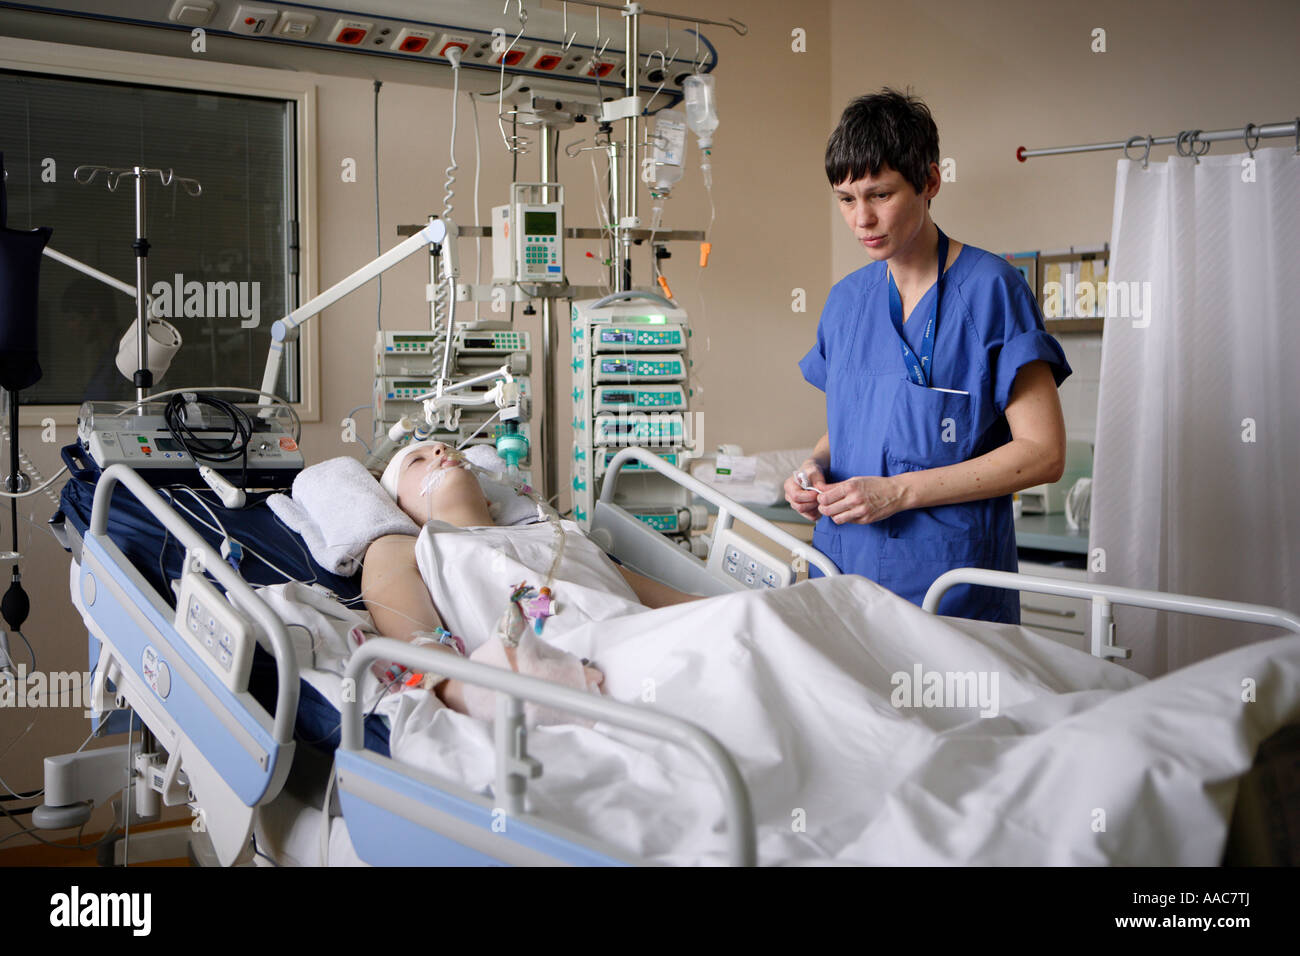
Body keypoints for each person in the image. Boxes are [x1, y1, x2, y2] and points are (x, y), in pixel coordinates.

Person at [785, 89, 1071, 623]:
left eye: (880, 195)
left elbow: (1044, 453)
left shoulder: (992, 291)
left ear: (931, 182)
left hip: (947, 591)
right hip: (842, 575)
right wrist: (813, 467)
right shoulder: (847, 301)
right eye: (846, 199)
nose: (862, 219)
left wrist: (898, 492)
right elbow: (863, 418)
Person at [361, 441, 698, 714]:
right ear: (400, 508)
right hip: (571, 674)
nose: (439, 452)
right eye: (416, 461)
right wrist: (469, 691)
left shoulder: (563, 534)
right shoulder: (406, 547)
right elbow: (418, 643)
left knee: (750, 615)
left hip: (662, 644)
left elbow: (685, 606)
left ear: (490, 497)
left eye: (443, 446)